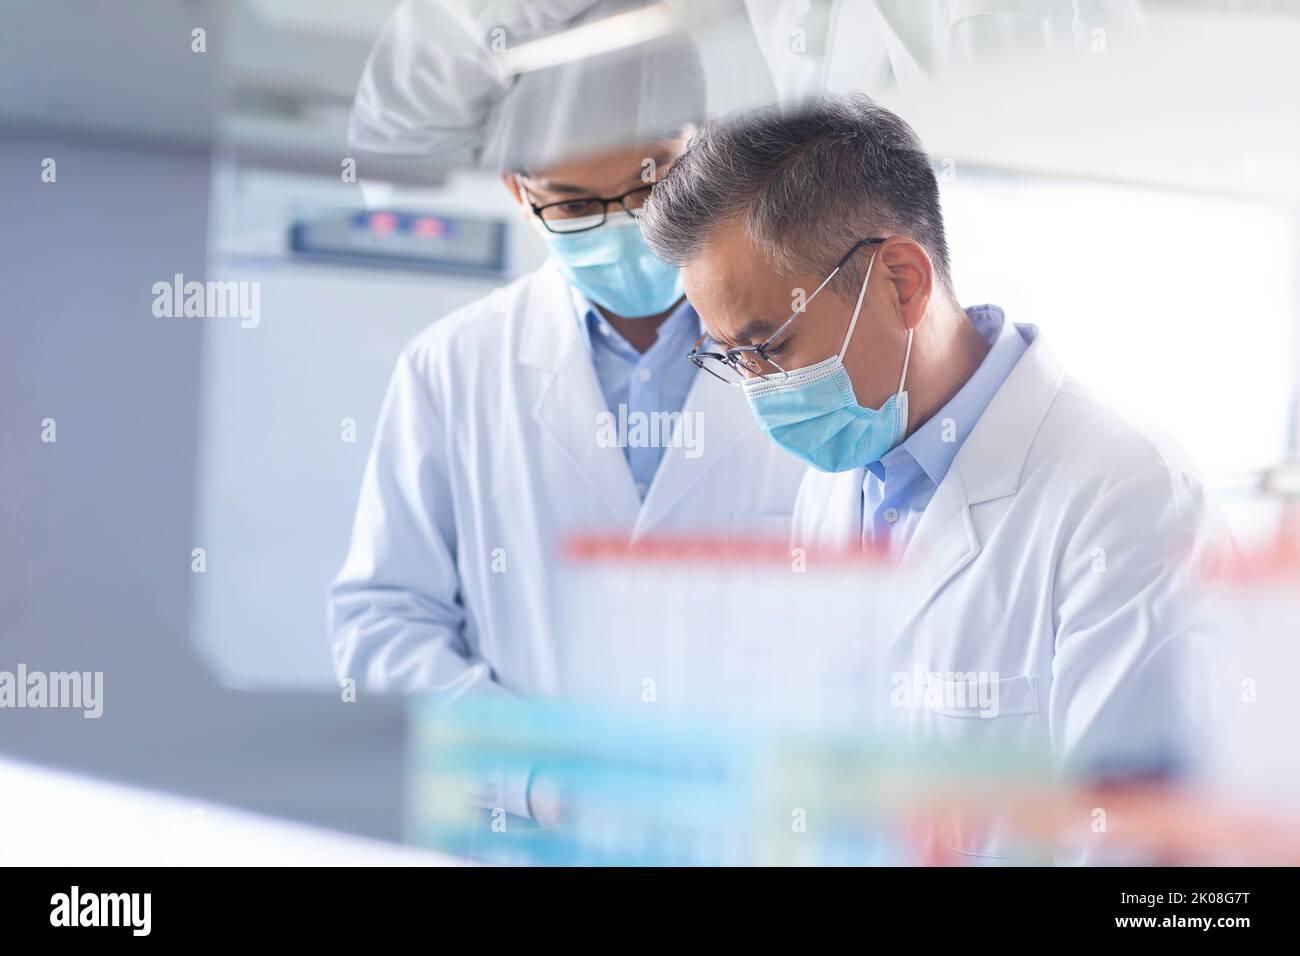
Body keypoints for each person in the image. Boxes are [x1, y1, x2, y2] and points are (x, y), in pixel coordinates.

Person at [639, 93, 1231, 861]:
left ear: (903, 280)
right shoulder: (843, 474)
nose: (757, 389)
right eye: (731, 359)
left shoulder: (1127, 498)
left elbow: (1152, 867)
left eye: (771, 346)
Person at [328, 135, 806, 827]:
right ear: (519, 192)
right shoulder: (451, 367)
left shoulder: (806, 341)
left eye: (650, 191)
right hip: (531, 831)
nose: (627, 226)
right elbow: (383, 623)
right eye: (578, 203)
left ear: (702, 156)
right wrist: (537, 774)